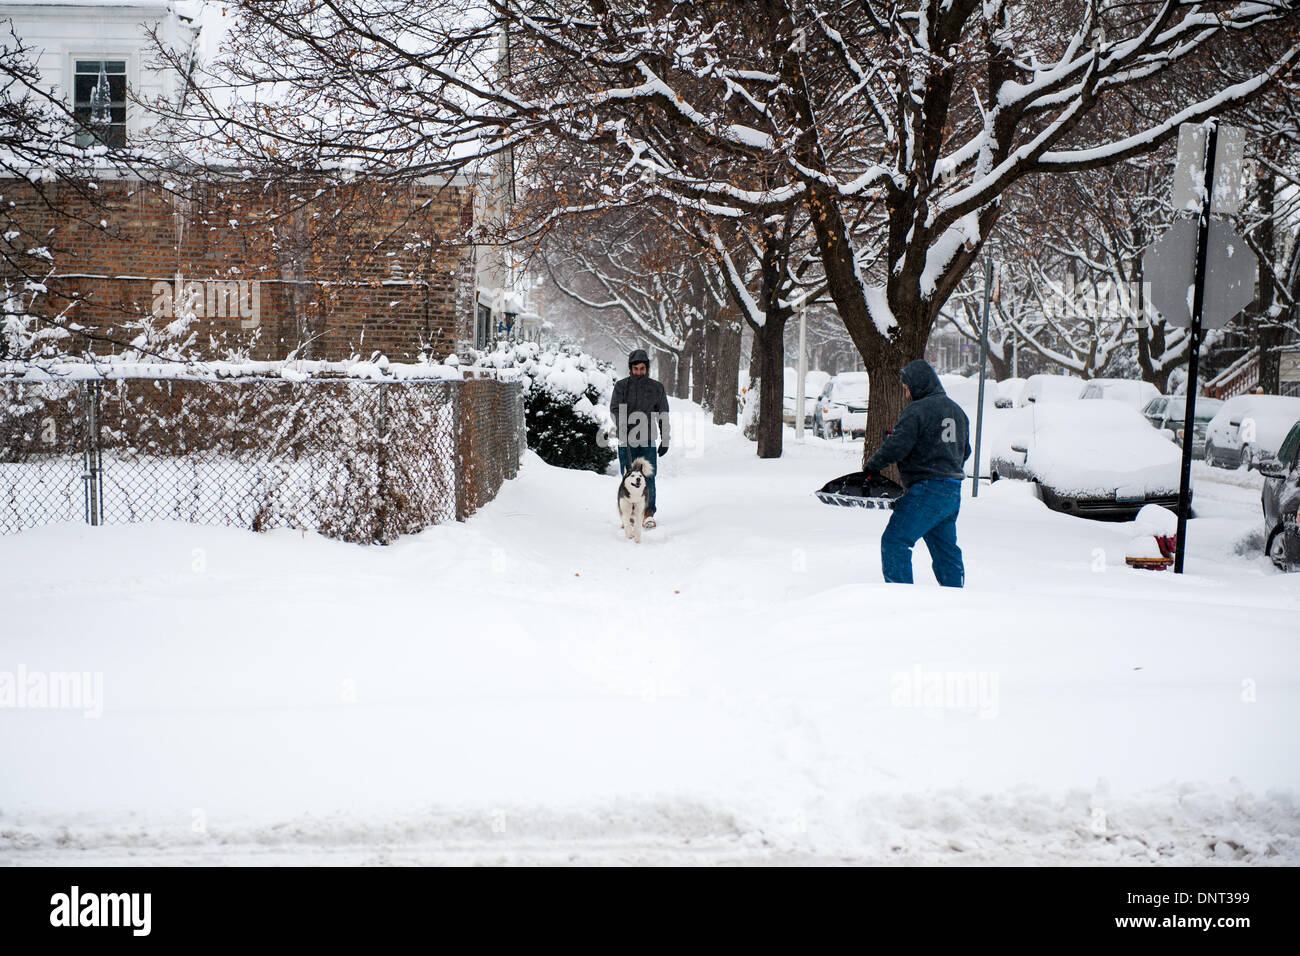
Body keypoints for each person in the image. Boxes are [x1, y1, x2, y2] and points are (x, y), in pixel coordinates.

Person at [863, 360, 971, 587]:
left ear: (919, 384)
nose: (906, 393)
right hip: (952, 491)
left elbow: (898, 446)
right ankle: (957, 596)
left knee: (895, 541)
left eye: (907, 388)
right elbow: (965, 451)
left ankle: (901, 597)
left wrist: (872, 466)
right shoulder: (957, 411)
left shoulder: (917, 411)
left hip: (927, 490)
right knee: (945, 550)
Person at [610, 349, 670, 528]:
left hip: (648, 440)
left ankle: (648, 513)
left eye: (642, 368)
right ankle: (629, 515)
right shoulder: (621, 386)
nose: (639, 372)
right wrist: (623, 426)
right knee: (628, 477)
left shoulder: (656, 387)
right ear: (630, 369)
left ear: (647, 368)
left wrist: (665, 440)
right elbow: (615, 409)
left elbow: (663, 414)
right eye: (635, 369)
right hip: (625, 441)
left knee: (648, 477)